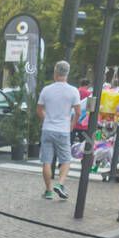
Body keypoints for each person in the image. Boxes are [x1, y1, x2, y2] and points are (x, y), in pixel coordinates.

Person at [36, 60, 82, 200]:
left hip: (48, 129)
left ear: (55, 73)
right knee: (66, 159)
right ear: (67, 74)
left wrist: (46, 120)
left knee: (47, 161)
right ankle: (60, 184)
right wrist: (72, 124)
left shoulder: (46, 90)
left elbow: (39, 110)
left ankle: (49, 190)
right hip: (63, 129)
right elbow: (78, 112)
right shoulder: (73, 91)